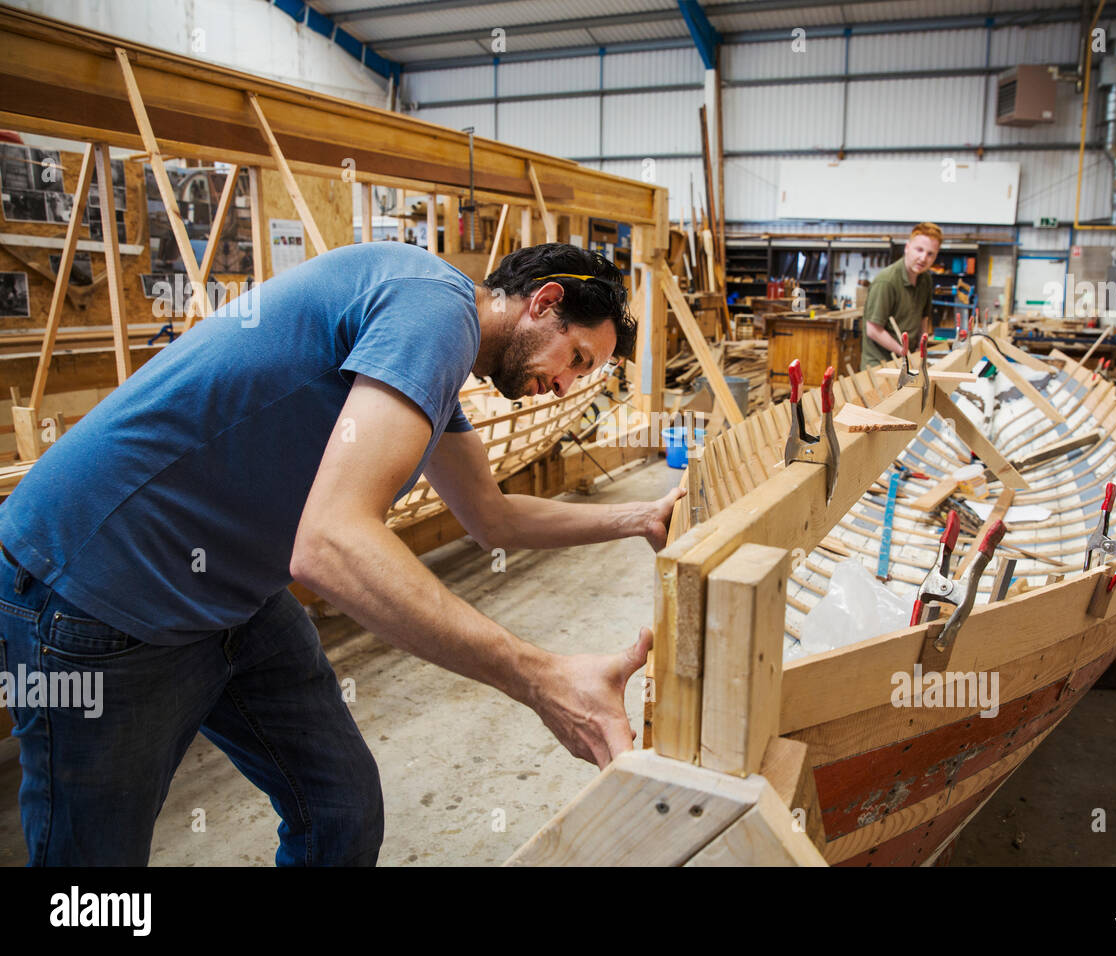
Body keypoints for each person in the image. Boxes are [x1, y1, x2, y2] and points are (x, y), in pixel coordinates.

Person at [0, 241, 683, 866]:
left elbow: (491, 517)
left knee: (340, 813)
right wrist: (540, 678)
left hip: (230, 591)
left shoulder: (436, 358)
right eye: (578, 361)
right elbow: (329, 544)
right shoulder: (432, 306)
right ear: (545, 302)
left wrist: (640, 517)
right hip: (96, 580)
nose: (567, 385)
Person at [859, 222, 942, 368]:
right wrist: (903, 352)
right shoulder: (886, 281)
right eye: (919, 250)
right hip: (880, 365)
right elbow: (873, 330)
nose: (923, 258)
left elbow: (923, 317)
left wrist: (920, 347)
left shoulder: (925, 279)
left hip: (906, 361)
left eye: (930, 254)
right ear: (907, 247)